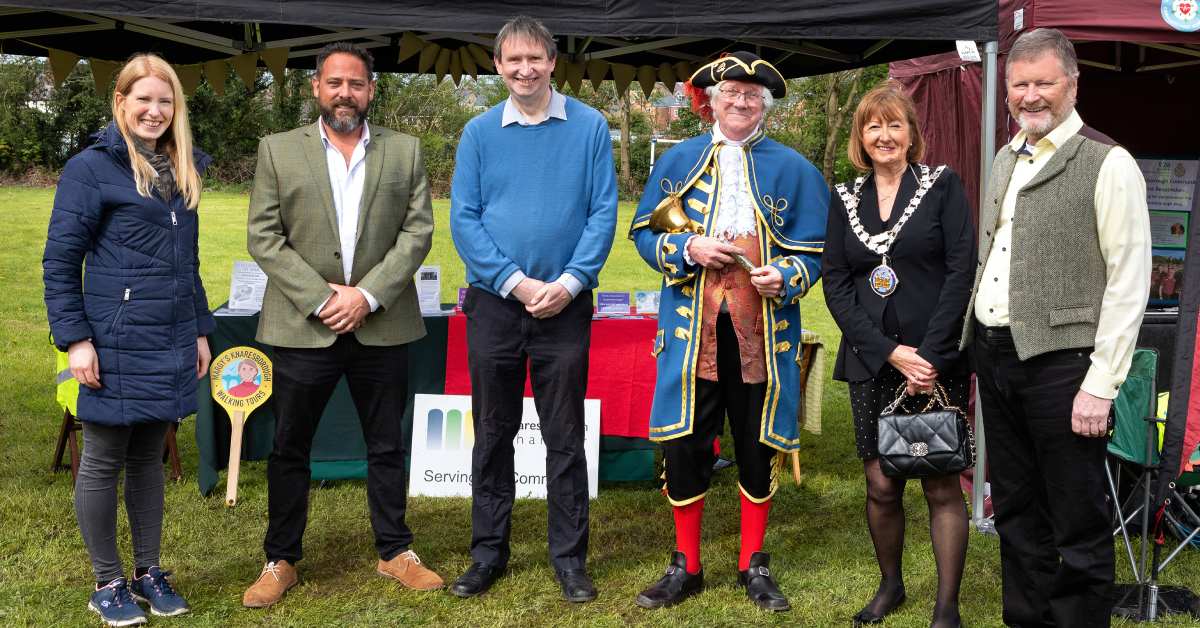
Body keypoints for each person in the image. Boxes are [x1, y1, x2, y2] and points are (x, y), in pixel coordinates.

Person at [961, 28, 1151, 627]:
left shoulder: (1108, 161)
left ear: (1072, 83)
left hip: (1065, 367)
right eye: (1020, 84)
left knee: (1076, 517)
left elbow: (1129, 279)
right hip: (995, 357)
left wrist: (1101, 383)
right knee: (1016, 510)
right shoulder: (1004, 157)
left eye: (1044, 83)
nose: (1031, 95)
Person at [629, 52, 828, 612]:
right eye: (730, 95)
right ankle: (685, 565)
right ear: (711, 102)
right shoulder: (680, 159)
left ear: (762, 105)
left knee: (755, 445)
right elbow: (644, 233)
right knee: (687, 446)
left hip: (761, 333)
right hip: (693, 334)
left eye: (751, 97)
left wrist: (785, 275)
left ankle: (753, 564)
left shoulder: (794, 167)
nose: (740, 103)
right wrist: (687, 247)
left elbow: (815, 250)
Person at [241, 42, 438, 608]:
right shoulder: (278, 150)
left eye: (356, 83)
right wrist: (324, 298)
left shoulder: (405, 151)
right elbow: (264, 236)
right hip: (306, 326)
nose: (345, 93)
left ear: (372, 90)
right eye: (334, 83)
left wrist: (369, 295)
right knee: (289, 447)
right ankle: (280, 560)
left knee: (385, 444)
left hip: (381, 325)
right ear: (316, 89)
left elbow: (416, 233)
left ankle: (395, 551)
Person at [447, 15, 617, 603]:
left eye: (535, 59)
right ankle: (488, 552)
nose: (525, 69)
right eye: (513, 60)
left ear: (552, 63)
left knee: (565, 435)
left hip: (565, 307)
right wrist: (516, 283)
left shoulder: (591, 127)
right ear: (498, 66)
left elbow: (602, 213)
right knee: (493, 431)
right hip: (497, 306)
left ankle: (569, 559)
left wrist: (569, 283)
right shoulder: (478, 133)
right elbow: (463, 219)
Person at [43, 53, 212, 626]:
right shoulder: (90, 169)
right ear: (121, 102)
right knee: (103, 458)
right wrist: (74, 340)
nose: (154, 110)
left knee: (148, 459)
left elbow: (184, 265)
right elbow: (60, 262)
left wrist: (199, 330)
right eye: (143, 99)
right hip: (111, 338)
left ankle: (148, 571)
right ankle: (106, 581)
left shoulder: (181, 168)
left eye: (165, 101)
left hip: (168, 335)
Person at [822, 82, 975, 627]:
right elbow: (836, 283)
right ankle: (891, 586)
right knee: (881, 481)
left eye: (894, 125)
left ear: (913, 134)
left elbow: (962, 271)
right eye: (873, 126)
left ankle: (946, 606)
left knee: (939, 478)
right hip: (872, 358)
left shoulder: (942, 186)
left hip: (936, 359)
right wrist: (890, 353)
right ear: (861, 138)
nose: (884, 136)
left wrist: (925, 355)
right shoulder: (843, 197)